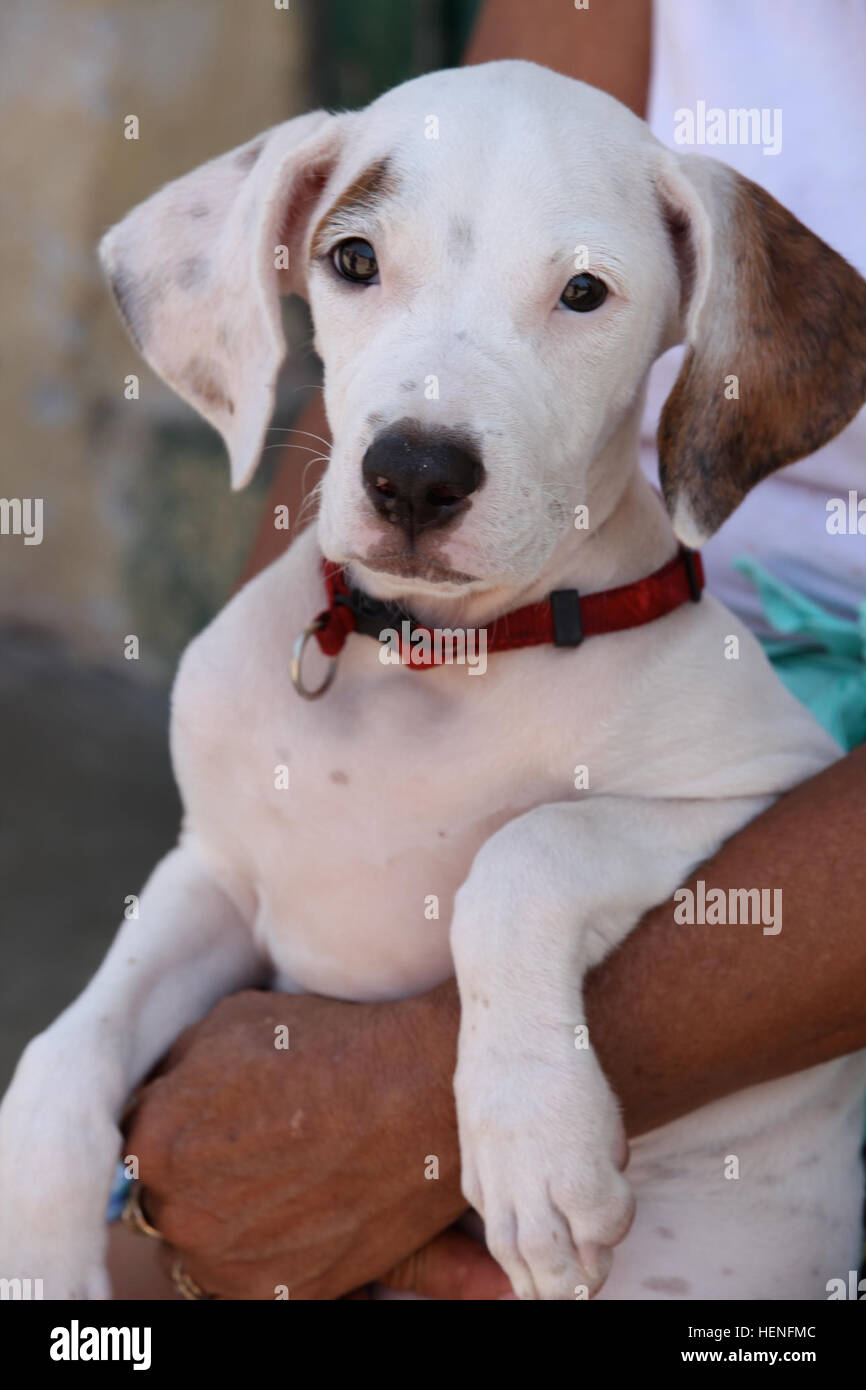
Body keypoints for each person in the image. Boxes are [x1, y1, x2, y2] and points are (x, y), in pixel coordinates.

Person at [110, 0, 866, 1299]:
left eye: (580, 295)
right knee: (148, 1225)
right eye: (353, 262)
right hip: (540, 610)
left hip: (748, 742)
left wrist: (418, 1097)